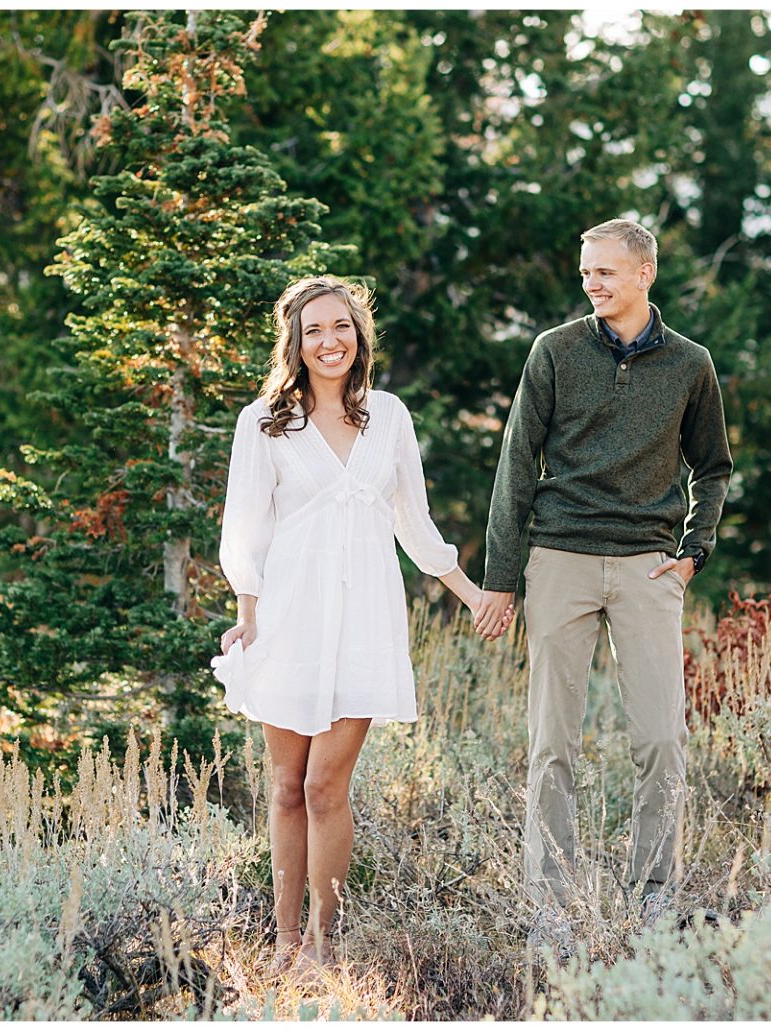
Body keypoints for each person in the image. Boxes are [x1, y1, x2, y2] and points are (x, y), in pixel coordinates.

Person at [212, 275, 513, 973]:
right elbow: (244, 528)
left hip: (365, 624)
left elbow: (414, 522)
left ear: (359, 335)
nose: (330, 341)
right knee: (285, 785)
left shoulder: (390, 417)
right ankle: (284, 942)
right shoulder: (264, 422)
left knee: (325, 787)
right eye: (314, 329)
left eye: (341, 326)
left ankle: (323, 945)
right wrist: (247, 613)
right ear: (295, 342)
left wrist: (471, 594)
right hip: (289, 621)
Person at [472, 219, 733, 942]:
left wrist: (693, 551)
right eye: (586, 271)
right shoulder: (554, 351)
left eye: (605, 272)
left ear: (645, 273)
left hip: (649, 565)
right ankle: (550, 906)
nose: (591, 283)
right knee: (552, 741)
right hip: (560, 558)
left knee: (661, 738)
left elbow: (713, 466)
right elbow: (517, 463)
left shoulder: (691, 364)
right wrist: (501, 577)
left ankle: (654, 896)